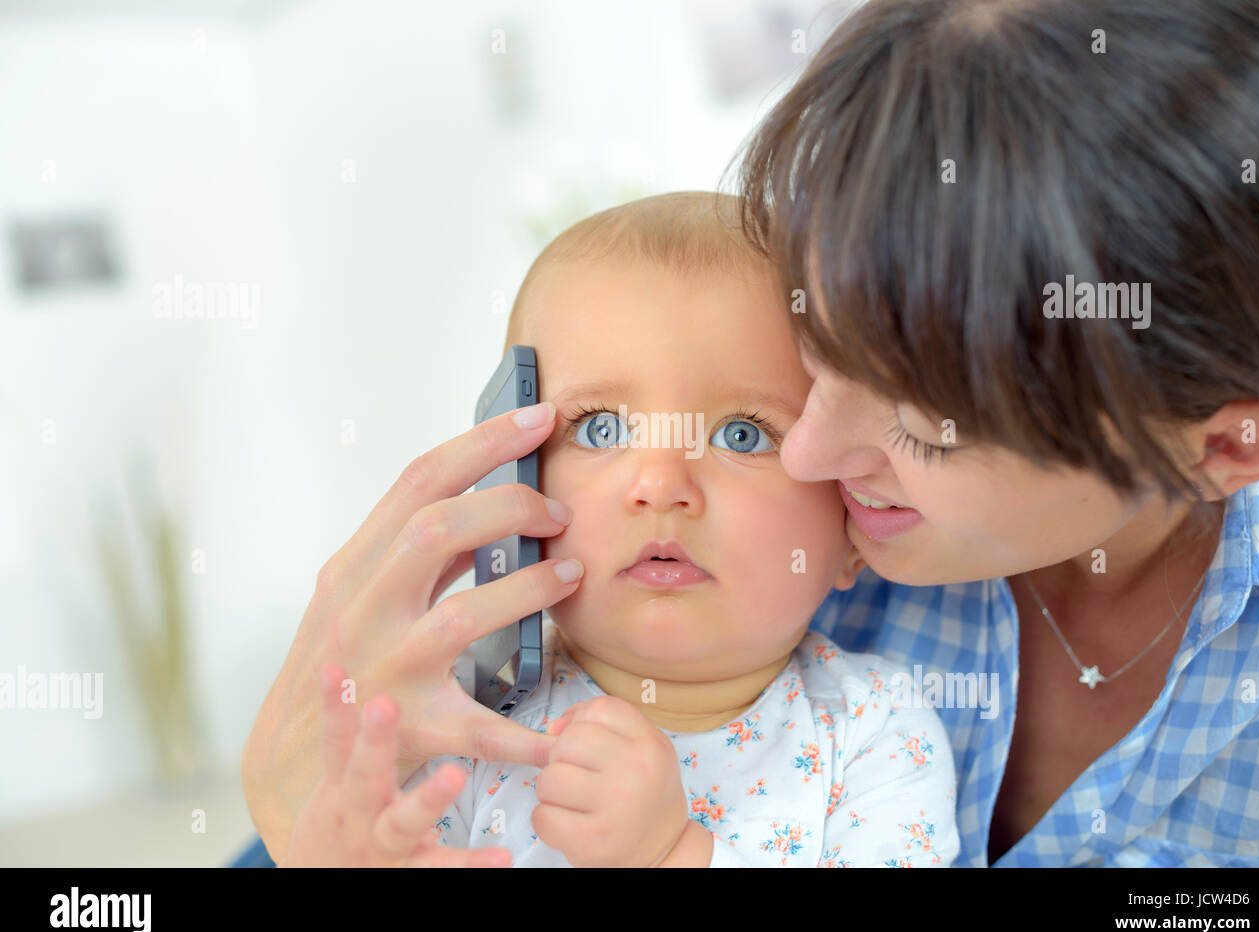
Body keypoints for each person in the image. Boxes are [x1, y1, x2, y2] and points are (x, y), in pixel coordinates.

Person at [236, 0, 1259, 867]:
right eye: (821, 353)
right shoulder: (547, 666)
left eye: (925, 417)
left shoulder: (857, 716)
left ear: (1228, 447)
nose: (805, 451)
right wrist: (294, 827)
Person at [278, 192, 958, 867]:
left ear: (854, 522)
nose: (661, 485)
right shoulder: (459, 714)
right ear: (516, 479)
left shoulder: (879, 731)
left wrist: (672, 853)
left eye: (742, 433)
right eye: (601, 428)